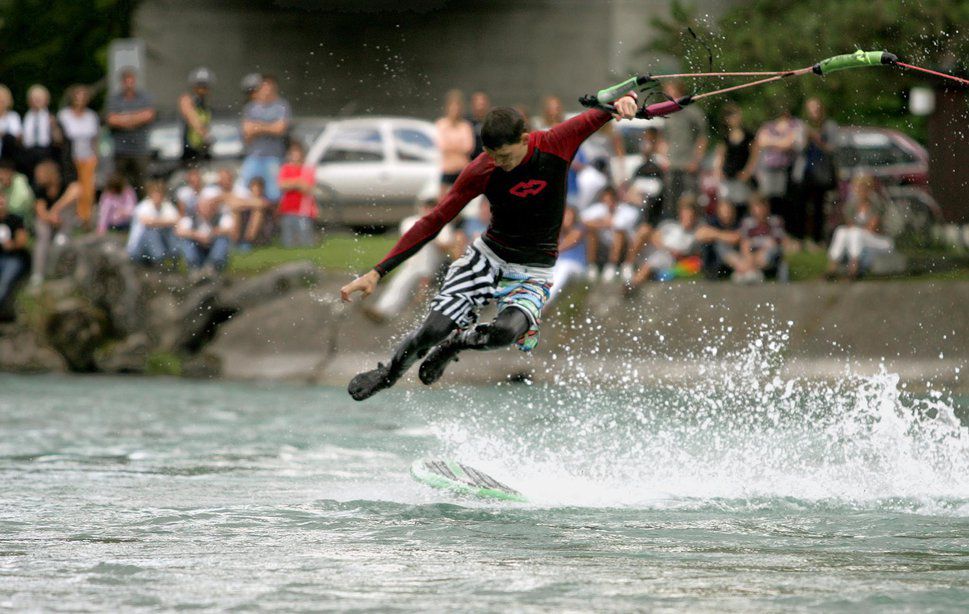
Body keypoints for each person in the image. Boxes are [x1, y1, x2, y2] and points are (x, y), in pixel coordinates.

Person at [340, 95, 640, 400]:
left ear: (524, 139)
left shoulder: (556, 142)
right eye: (493, 156)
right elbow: (434, 220)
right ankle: (388, 374)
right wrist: (377, 272)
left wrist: (627, 100)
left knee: (506, 332)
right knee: (431, 331)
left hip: (534, 269)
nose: (501, 164)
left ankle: (456, 345)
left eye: (506, 156)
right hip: (487, 257)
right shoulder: (481, 169)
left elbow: (605, 109)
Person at [364, 199, 457, 324]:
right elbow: (410, 240)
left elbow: (446, 246)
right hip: (413, 263)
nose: (428, 211)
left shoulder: (444, 225)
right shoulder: (410, 222)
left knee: (426, 250)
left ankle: (389, 309)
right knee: (400, 282)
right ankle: (384, 310)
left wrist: (432, 235)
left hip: (435, 264)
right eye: (426, 208)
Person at [627, 193, 703, 290]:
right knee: (644, 230)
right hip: (656, 248)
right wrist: (661, 245)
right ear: (680, 214)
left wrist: (666, 249)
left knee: (652, 262)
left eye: (690, 216)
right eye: (685, 214)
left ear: (695, 217)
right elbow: (653, 234)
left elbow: (685, 255)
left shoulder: (694, 233)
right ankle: (628, 265)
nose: (687, 218)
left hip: (668, 258)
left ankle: (632, 286)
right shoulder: (670, 225)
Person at [825, 175, 892, 280]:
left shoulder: (876, 204)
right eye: (858, 188)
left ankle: (854, 267)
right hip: (860, 237)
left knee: (855, 233)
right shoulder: (852, 205)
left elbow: (872, 227)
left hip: (879, 240)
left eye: (864, 188)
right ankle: (832, 267)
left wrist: (857, 228)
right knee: (841, 231)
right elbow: (849, 224)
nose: (861, 191)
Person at [660, 80, 707, 219]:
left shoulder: (692, 112)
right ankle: (673, 223)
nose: (669, 94)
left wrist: (697, 160)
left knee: (691, 200)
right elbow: (664, 139)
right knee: (671, 199)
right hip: (672, 163)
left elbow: (702, 138)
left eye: (671, 91)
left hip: (688, 163)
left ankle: (695, 223)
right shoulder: (666, 113)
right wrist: (664, 158)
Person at [753, 106, 804, 237]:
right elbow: (761, 141)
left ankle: (789, 233)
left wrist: (772, 141)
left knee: (786, 202)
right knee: (771, 202)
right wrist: (780, 141)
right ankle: (774, 232)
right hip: (769, 171)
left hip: (787, 170)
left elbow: (790, 143)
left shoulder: (796, 125)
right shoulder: (769, 125)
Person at [106, 68, 156, 196]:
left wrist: (124, 118)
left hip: (140, 149)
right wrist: (136, 118)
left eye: (131, 80)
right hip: (121, 150)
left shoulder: (143, 97)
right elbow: (112, 119)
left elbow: (149, 115)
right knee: (119, 183)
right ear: (122, 82)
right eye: (126, 80)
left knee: (142, 183)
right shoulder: (115, 99)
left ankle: (141, 210)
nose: (129, 83)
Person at [240, 75, 290, 203]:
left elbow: (280, 129)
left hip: (273, 156)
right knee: (245, 192)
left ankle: (272, 222)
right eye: (264, 87)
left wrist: (258, 127)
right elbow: (247, 131)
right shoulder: (251, 107)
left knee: (273, 194)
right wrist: (269, 127)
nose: (267, 91)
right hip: (254, 155)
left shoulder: (281, 106)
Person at [30, 160, 79, 285]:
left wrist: (56, 209)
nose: (37, 177)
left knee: (67, 214)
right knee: (43, 237)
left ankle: (57, 271)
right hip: (46, 221)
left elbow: (76, 190)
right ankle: (38, 274)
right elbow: (40, 210)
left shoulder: (64, 182)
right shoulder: (39, 188)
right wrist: (50, 217)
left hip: (62, 220)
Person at [57, 85, 99, 226]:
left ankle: (85, 218)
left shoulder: (91, 116)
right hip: (70, 158)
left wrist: (96, 156)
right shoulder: (64, 115)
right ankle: (69, 217)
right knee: (73, 189)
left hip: (88, 157)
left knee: (88, 190)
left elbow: (95, 139)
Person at [580, 185, 640, 283]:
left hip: (625, 245)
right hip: (604, 245)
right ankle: (592, 266)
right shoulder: (600, 208)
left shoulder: (627, 210)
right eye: (606, 200)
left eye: (611, 200)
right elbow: (583, 220)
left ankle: (612, 265)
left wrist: (600, 222)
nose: (609, 203)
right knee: (590, 233)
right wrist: (603, 223)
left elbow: (620, 225)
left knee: (618, 234)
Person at [801, 97, 839, 245]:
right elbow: (800, 148)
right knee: (803, 206)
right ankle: (804, 238)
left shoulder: (829, 126)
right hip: (806, 173)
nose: (814, 112)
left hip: (823, 174)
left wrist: (816, 138)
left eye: (816, 108)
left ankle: (818, 239)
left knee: (820, 207)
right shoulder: (804, 126)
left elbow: (832, 148)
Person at [712, 103, 756, 219]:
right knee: (728, 206)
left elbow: (754, 155)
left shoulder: (748, 135)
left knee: (743, 205)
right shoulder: (725, 137)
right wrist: (718, 171)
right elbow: (721, 155)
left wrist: (747, 172)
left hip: (742, 177)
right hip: (728, 176)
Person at [176, 193, 234, 273]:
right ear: (198, 208)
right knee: (186, 241)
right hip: (198, 250)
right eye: (204, 207)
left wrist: (212, 234)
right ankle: (194, 269)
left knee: (223, 239)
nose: (207, 209)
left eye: (209, 206)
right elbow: (179, 231)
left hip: (213, 248)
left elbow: (230, 229)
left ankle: (213, 267)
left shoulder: (221, 217)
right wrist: (197, 235)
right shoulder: (191, 218)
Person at [736, 192, 787, 283]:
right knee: (745, 248)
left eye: (761, 206)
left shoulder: (775, 222)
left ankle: (750, 271)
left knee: (772, 249)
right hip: (752, 256)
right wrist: (749, 258)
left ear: (767, 207)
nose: (759, 210)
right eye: (756, 207)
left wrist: (756, 258)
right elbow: (745, 242)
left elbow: (775, 243)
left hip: (769, 256)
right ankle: (752, 272)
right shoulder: (747, 223)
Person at [127, 180, 178, 267]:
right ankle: (160, 259)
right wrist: (164, 222)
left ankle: (173, 255)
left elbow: (176, 220)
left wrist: (156, 222)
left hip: (156, 244)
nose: (158, 198)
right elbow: (147, 222)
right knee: (151, 231)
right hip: (138, 248)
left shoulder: (166, 206)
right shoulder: (143, 206)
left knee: (171, 231)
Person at [278, 141, 318, 247]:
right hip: (288, 209)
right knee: (288, 240)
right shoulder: (285, 168)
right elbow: (282, 185)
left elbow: (307, 188)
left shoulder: (307, 169)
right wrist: (298, 182)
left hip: (304, 210)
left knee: (306, 239)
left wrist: (291, 183)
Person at [21, 84, 64, 180]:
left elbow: (59, 141)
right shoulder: (26, 117)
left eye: (39, 98)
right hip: (28, 154)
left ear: (46, 100)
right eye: (34, 98)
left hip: (46, 153)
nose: (36, 101)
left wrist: (54, 127)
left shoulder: (51, 117)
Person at [436, 90, 474, 193]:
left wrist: (451, 146)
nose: (455, 111)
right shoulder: (441, 124)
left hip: (462, 169)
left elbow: (468, 147)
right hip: (447, 169)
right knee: (443, 201)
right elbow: (442, 146)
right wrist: (458, 147)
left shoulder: (465, 125)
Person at [695, 199, 744, 280]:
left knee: (720, 243)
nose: (727, 214)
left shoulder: (738, 223)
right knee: (715, 244)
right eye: (724, 211)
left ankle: (741, 268)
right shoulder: (713, 221)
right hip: (717, 258)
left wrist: (715, 234)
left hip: (735, 252)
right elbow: (699, 235)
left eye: (728, 211)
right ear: (718, 212)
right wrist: (723, 236)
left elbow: (736, 238)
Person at [0, 192, 30, 319]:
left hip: (13, 258)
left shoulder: (14, 219)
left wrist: (11, 245)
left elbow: (22, 240)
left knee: (5, 283)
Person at [548, 206, 586, 303]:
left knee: (564, 268)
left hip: (576, 267)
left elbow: (562, 247)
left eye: (569, 215)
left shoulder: (578, 229)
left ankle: (546, 303)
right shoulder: (557, 232)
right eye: (564, 215)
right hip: (559, 264)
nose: (566, 218)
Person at [179, 67, 214, 168]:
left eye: (205, 87)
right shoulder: (188, 99)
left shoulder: (205, 104)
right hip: (190, 149)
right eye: (200, 86)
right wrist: (204, 134)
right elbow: (192, 117)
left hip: (203, 148)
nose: (202, 90)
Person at [0, 158, 34, 225]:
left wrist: (6, 208)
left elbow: (24, 203)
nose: (2, 176)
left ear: (11, 172)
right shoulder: (1, 183)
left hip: (22, 218)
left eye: (5, 173)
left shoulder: (20, 180)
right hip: (5, 217)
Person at [468, 91, 491, 159]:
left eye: (482, 104)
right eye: (477, 104)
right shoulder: (466, 124)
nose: (480, 107)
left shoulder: (493, 123)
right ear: (472, 105)